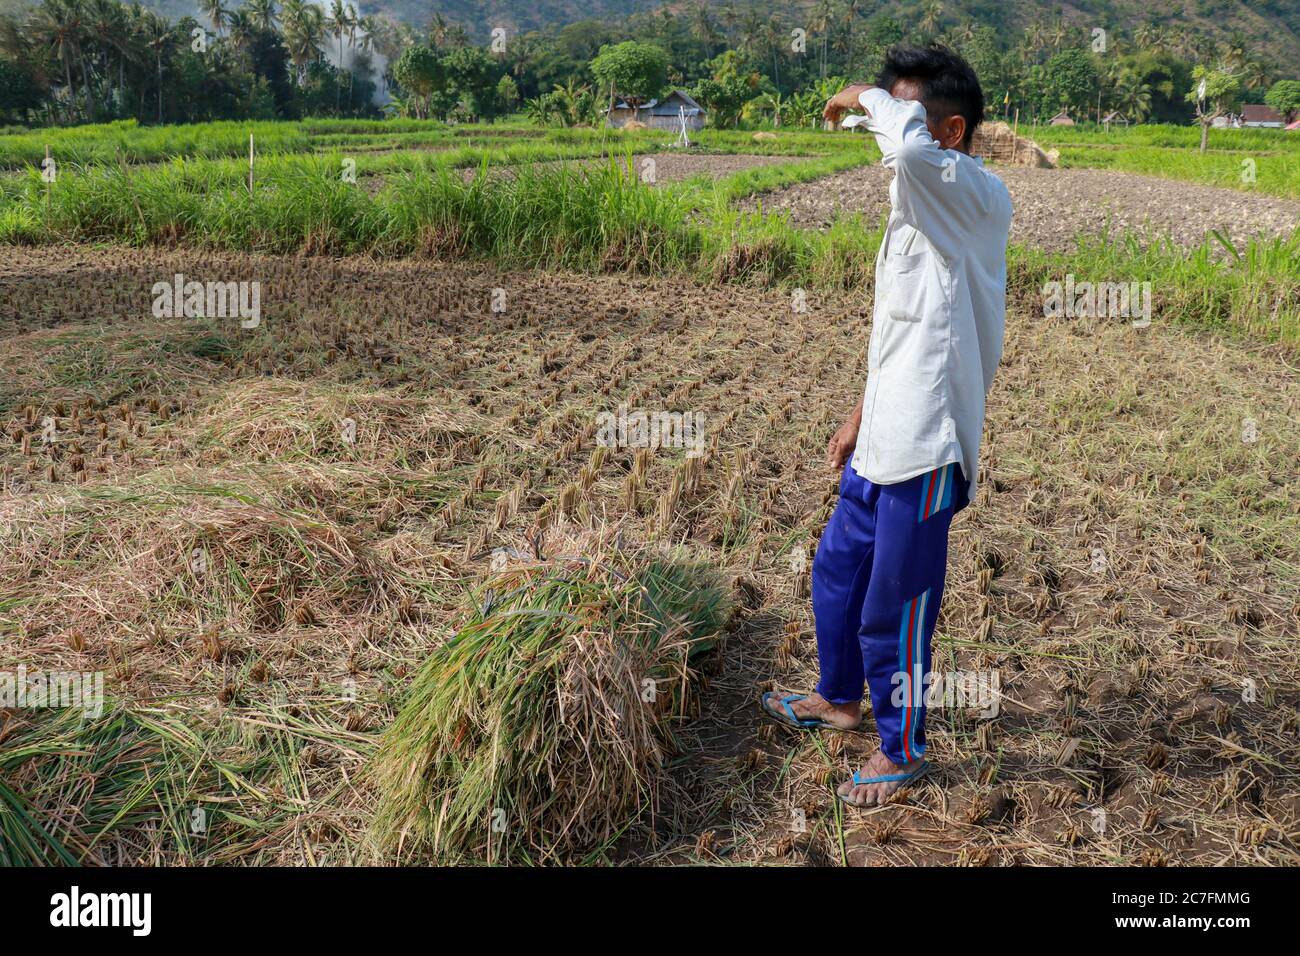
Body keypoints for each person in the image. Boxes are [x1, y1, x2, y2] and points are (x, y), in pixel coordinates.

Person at [761, 44, 1012, 808]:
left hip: (927, 449)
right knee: (836, 574)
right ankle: (838, 700)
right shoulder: (915, 211)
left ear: (954, 133)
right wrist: (856, 416)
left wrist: (864, 93)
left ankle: (902, 749)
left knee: (893, 609)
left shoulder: (975, 195)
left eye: (903, 115)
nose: (885, 147)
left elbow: (904, 142)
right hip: (882, 439)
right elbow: (907, 335)